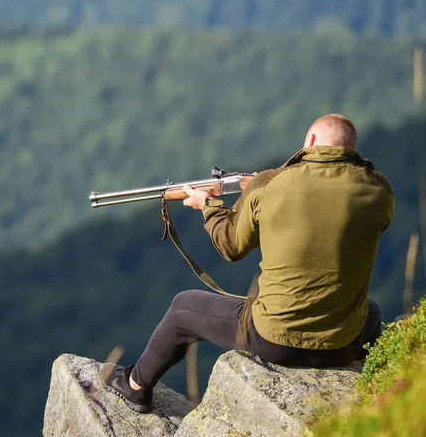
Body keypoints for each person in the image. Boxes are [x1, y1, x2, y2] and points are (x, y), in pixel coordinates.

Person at [101, 114, 394, 413]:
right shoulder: (379, 192)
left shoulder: (270, 185)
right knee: (370, 310)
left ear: (311, 142)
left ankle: (135, 385)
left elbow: (230, 246)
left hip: (273, 340)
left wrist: (209, 207)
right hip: (342, 343)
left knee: (182, 307)